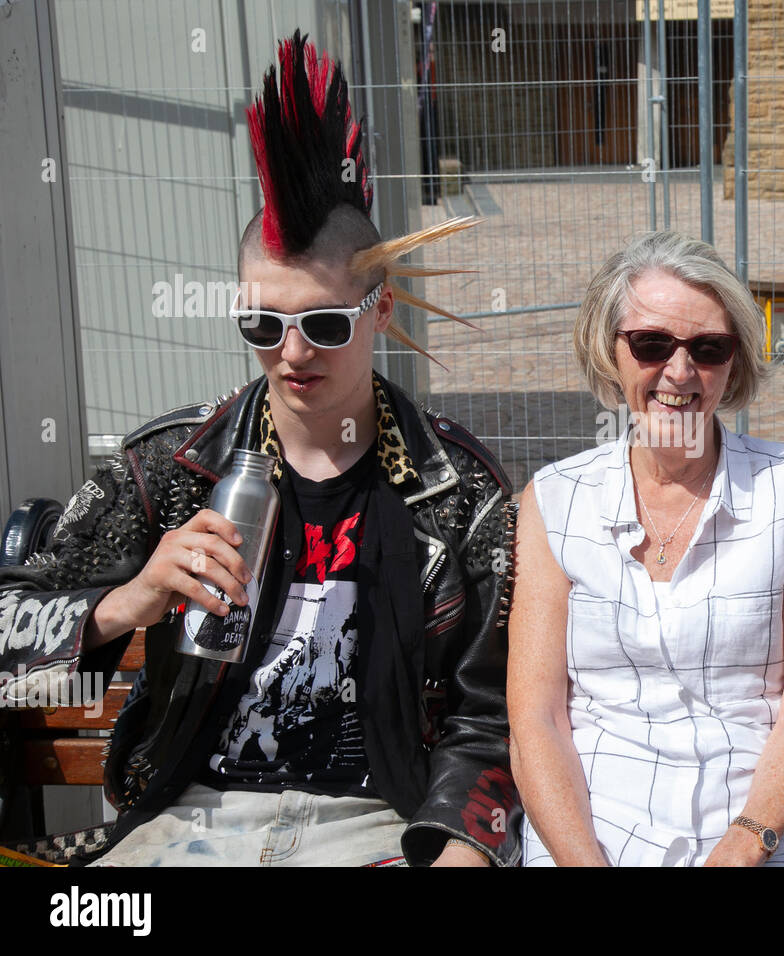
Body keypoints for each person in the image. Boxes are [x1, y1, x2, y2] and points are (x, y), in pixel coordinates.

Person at [0, 32, 519, 867]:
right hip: (183, 818)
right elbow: (9, 630)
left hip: (376, 825)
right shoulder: (175, 466)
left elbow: (489, 713)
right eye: (262, 325)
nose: (292, 352)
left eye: (322, 323)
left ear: (380, 313)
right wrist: (129, 601)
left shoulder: (458, 490)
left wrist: (460, 849)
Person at [508, 231, 784, 866]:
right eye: (652, 344)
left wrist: (742, 849)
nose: (680, 371)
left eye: (709, 348)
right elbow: (538, 722)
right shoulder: (554, 499)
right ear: (609, 352)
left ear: (735, 361)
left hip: (767, 833)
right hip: (598, 831)